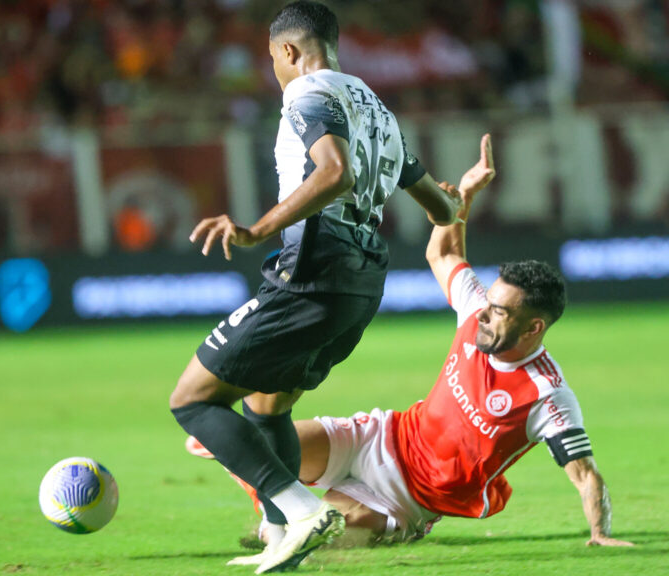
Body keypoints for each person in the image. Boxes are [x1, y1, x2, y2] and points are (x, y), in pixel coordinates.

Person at [189, 135, 635, 551]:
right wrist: (462, 198)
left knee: (308, 536)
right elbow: (444, 254)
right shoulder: (476, 312)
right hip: (375, 438)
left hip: (406, 500)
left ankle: (278, 527)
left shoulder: (546, 395)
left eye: (500, 312)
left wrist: (601, 533)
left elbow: (585, 475)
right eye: (490, 301)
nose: (484, 311)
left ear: (534, 327)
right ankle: (274, 514)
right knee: (250, 448)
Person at [168, 2, 464, 573]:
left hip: (314, 270)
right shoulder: (377, 109)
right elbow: (439, 206)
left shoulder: (306, 95)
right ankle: (281, 532)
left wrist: (257, 229)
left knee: (193, 399)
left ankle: (301, 510)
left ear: (287, 51)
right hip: (361, 283)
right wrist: (457, 199)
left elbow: (335, 173)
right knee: (267, 402)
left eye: (271, 59)